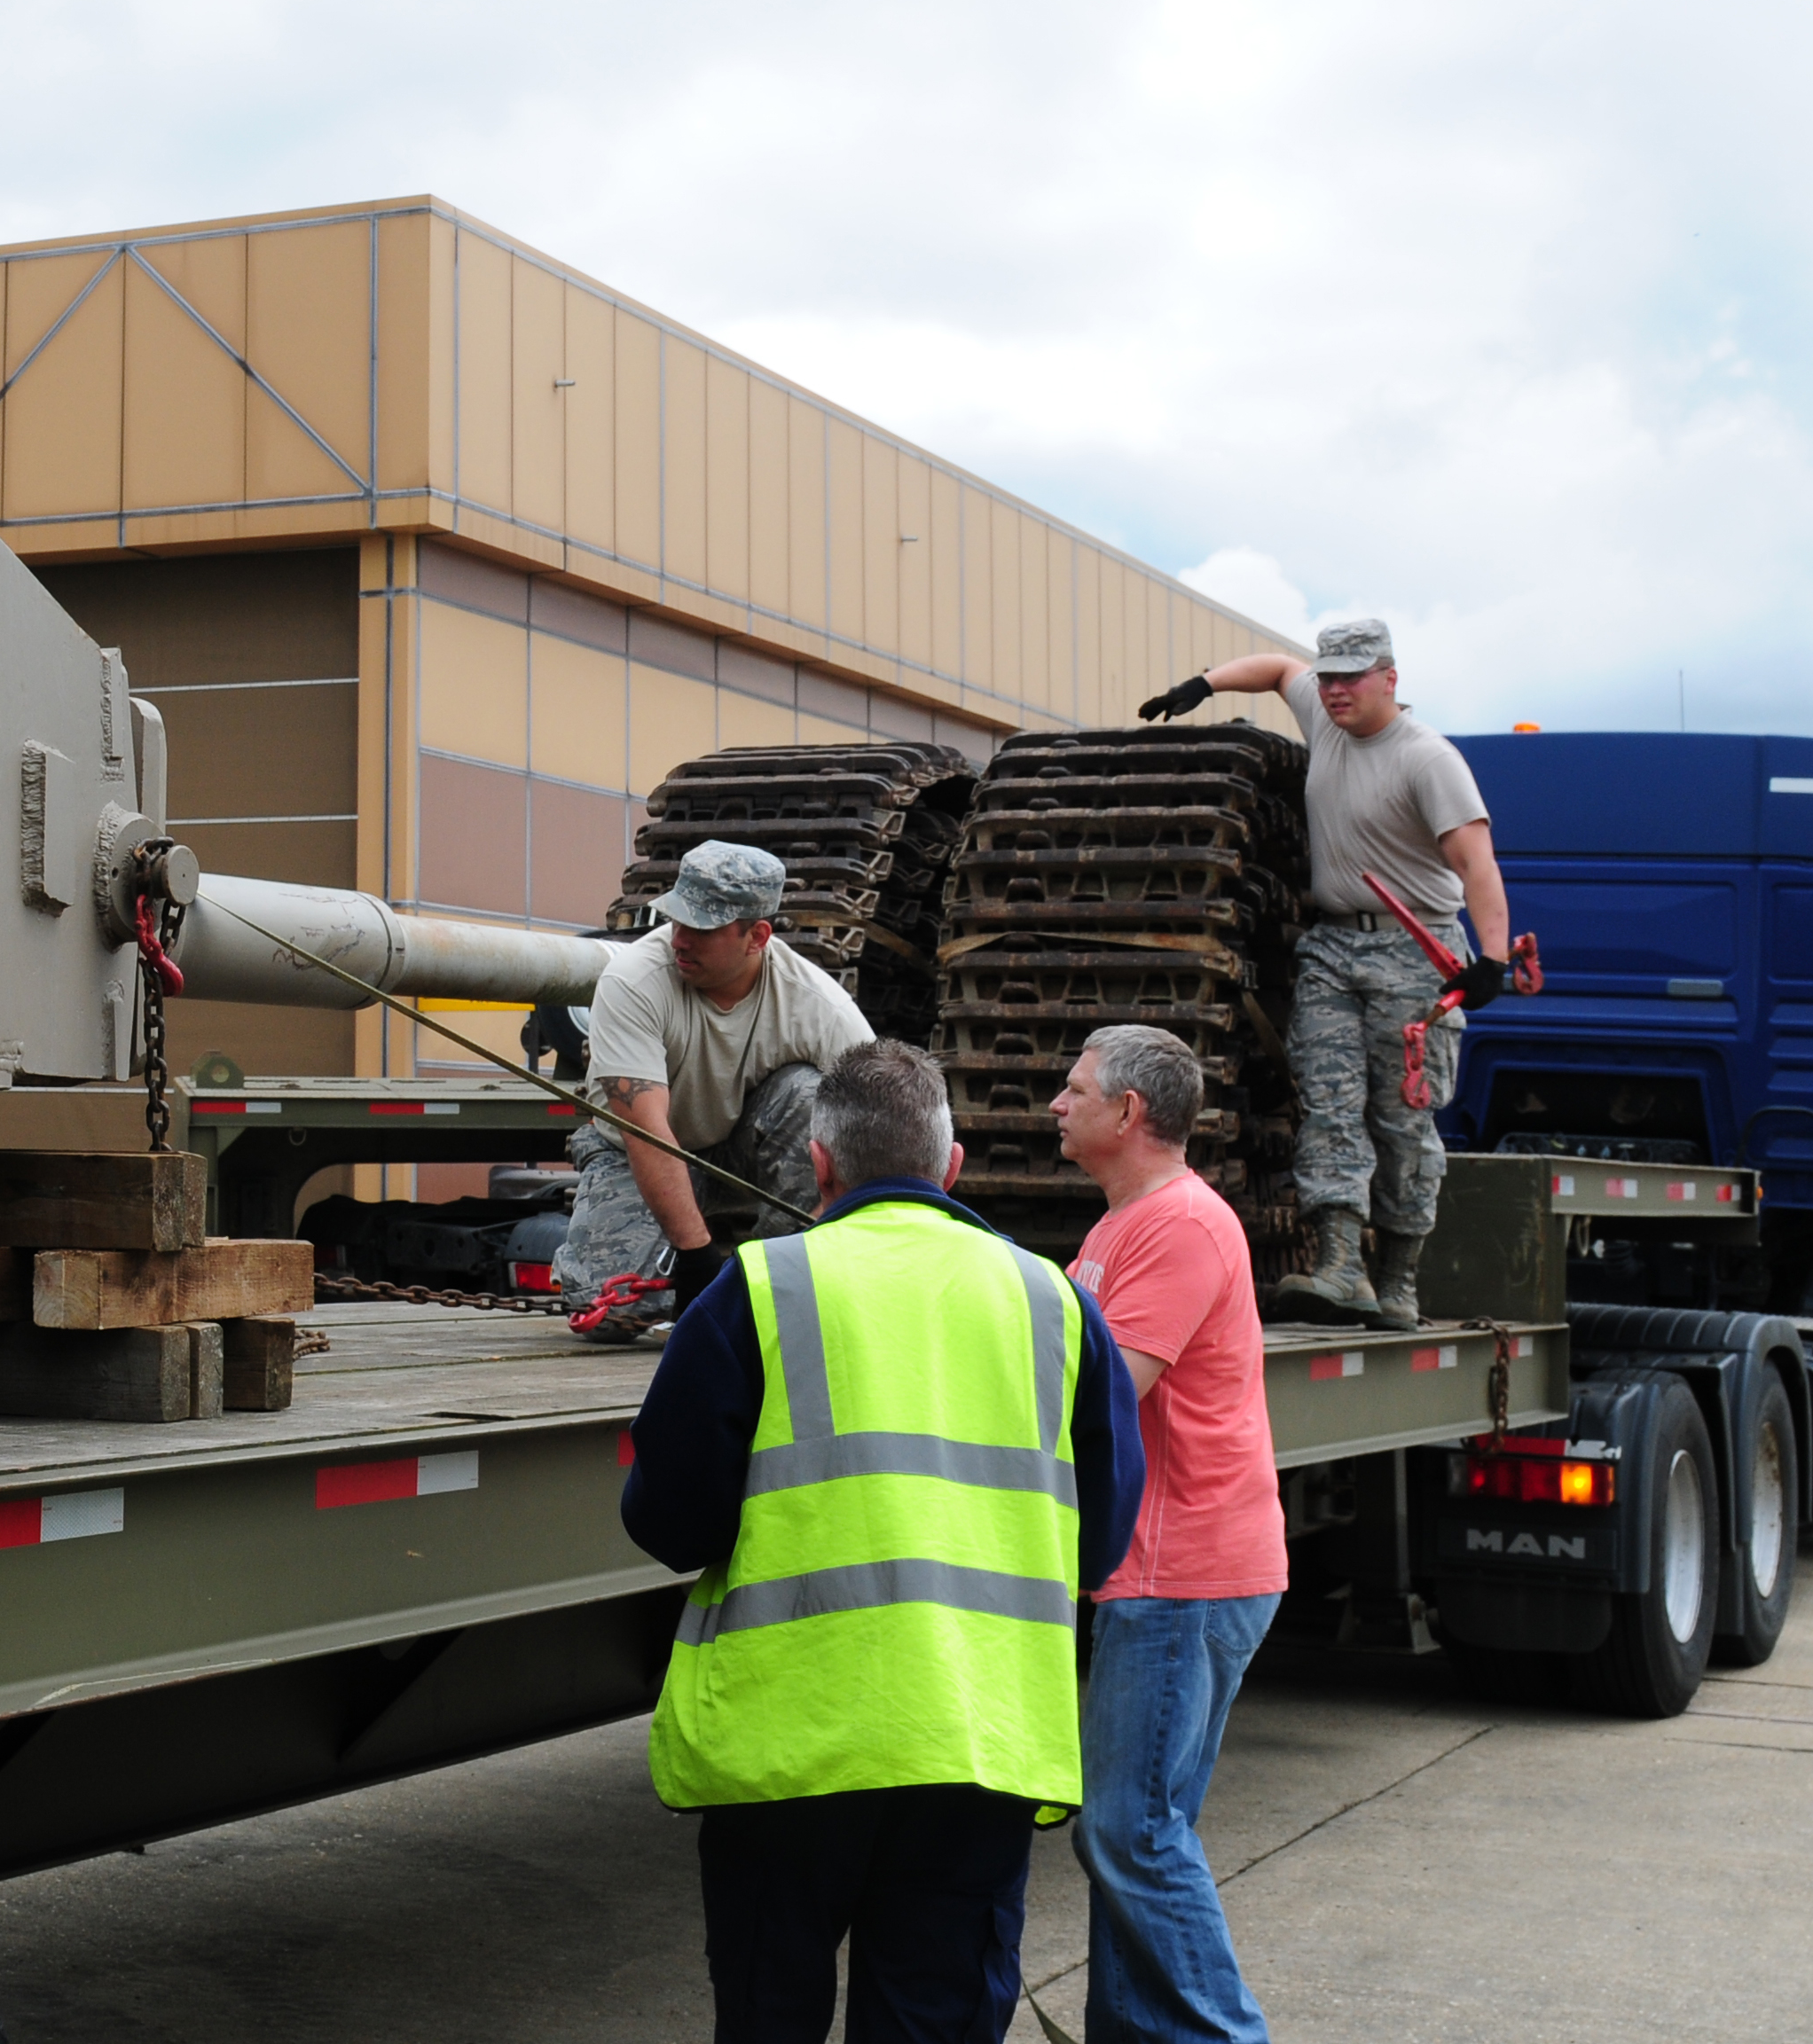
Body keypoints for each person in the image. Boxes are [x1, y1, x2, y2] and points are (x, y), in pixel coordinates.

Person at [625, 1040, 1147, 2044]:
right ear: (951, 1166)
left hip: (787, 1747)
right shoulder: (1052, 1301)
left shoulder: (759, 1288)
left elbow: (669, 1522)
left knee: (768, 2015)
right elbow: (1100, 1540)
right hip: (977, 1738)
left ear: (818, 1163)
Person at [1141, 616, 1513, 1327]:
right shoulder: (1323, 712)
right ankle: (1341, 1265)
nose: (1335, 690)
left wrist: (1491, 961)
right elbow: (1279, 669)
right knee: (1329, 1105)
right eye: (1330, 677)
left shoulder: (1427, 759)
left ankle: (1399, 1278)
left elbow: (1476, 863)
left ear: (1389, 679)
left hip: (1414, 951)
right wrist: (1203, 685)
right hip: (1333, 948)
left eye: (1352, 678)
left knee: (1401, 1122)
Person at [1053, 1023, 1289, 2044]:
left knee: (1129, 1831)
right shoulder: (1121, 1224)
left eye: (1073, 1088)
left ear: (1127, 1111)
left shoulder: (1179, 1225)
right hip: (1167, 1570)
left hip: (1182, 1573)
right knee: (1139, 1832)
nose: (1055, 1104)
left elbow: (1106, 1391)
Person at [548, 840, 873, 1330]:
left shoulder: (817, 1006)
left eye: (700, 929)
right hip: (637, 1153)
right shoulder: (633, 981)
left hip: (736, 1146)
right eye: (676, 920)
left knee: (815, 1098)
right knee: (613, 1314)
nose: (679, 940)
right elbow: (645, 1132)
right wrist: (696, 1256)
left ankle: (779, 1281)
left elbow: (877, 1123)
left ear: (756, 936)